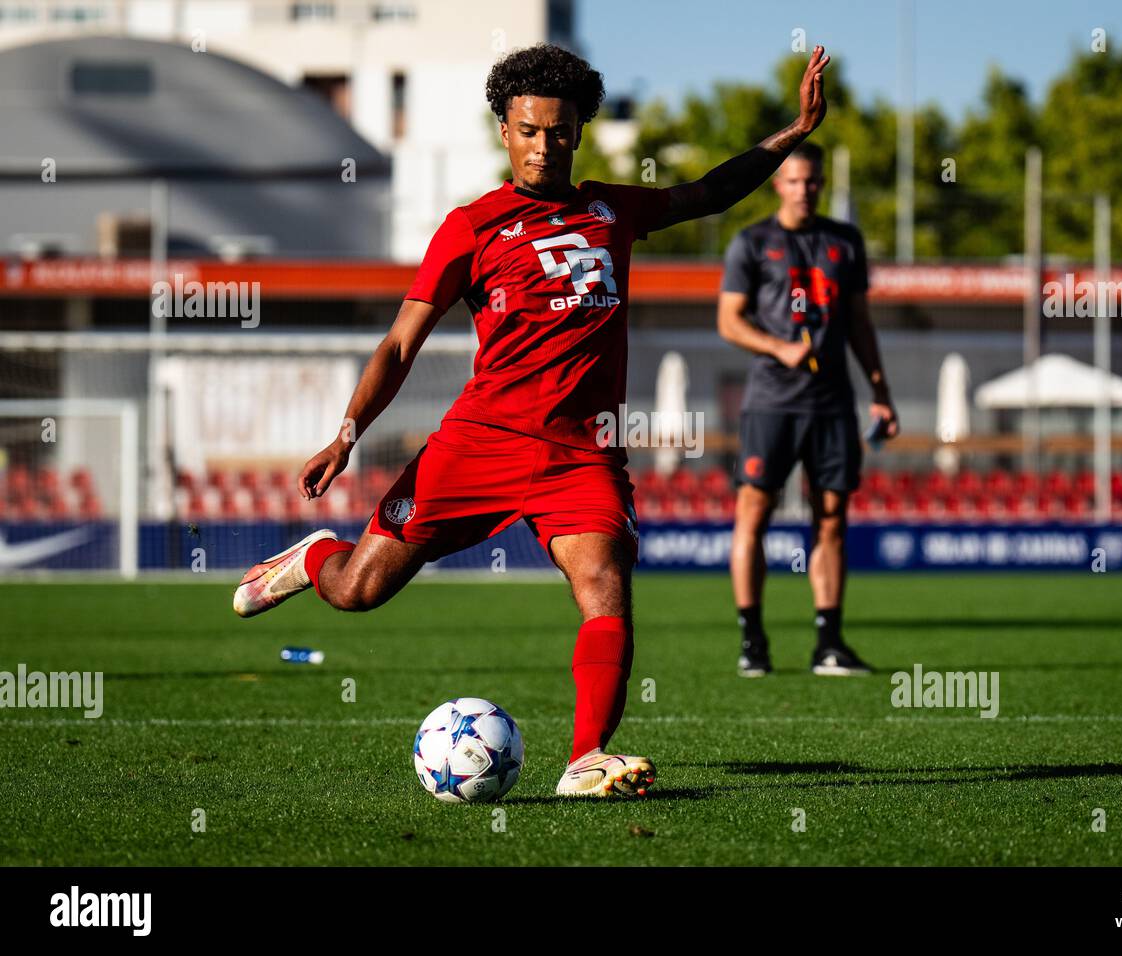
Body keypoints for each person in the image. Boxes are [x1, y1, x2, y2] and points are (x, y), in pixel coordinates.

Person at [233, 42, 835, 796]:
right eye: (527, 130)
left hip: (582, 458)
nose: (543, 146)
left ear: (578, 132)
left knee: (606, 587)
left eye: (558, 130)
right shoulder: (471, 227)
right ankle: (314, 557)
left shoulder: (612, 209)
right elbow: (399, 343)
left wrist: (793, 133)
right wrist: (347, 435)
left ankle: (586, 759)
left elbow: (709, 192)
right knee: (358, 591)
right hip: (479, 444)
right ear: (504, 130)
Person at [717, 141, 898, 678]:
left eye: (813, 181)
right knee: (753, 515)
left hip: (833, 403)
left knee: (833, 520)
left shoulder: (844, 241)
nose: (804, 189)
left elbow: (861, 325)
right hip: (770, 404)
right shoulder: (751, 242)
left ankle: (829, 643)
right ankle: (753, 640)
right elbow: (728, 321)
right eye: (794, 181)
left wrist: (881, 392)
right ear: (778, 183)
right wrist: (780, 347)